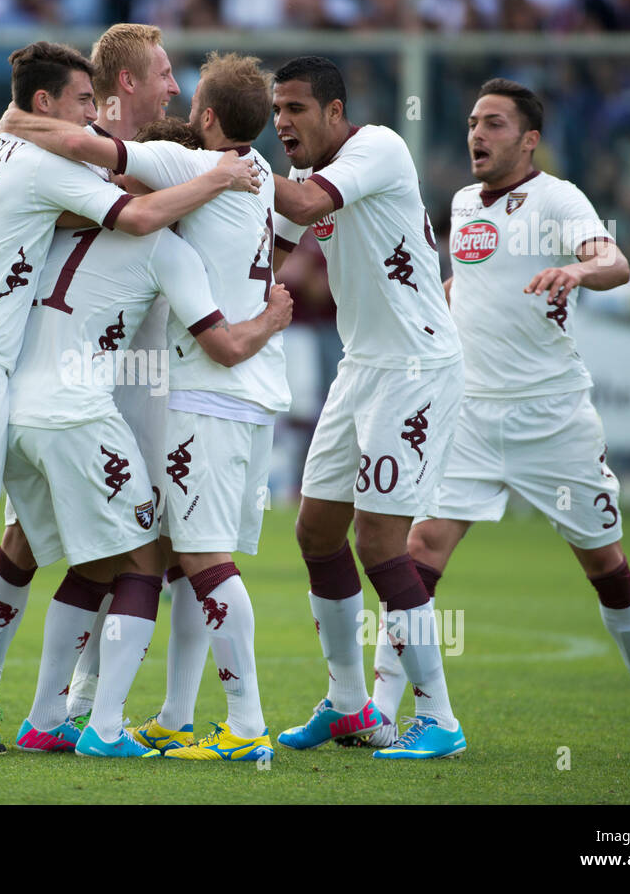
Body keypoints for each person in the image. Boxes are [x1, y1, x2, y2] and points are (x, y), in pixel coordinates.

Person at [0, 41, 261, 755]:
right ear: (48, 102)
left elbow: (87, 197)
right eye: (82, 100)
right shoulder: (55, 166)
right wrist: (217, 179)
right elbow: (137, 218)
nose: (90, 112)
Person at [401, 78, 630, 756]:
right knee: (418, 551)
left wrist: (578, 271)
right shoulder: (460, 201)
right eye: (474, 123)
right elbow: (469, 285)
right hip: (472, 413)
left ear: (530, 138)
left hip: (553, 418)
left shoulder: (559, 199)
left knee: (605, 561)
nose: (477, 135)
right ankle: (404, 709)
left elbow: (616, 261)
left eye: (495, 124)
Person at [2, 51, 290, 762]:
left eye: (188, 100)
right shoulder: (259, 185)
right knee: (177, 555)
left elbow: (84, 147)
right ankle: (147, 716)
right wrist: (276, 317)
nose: (177, 98)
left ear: (207, 121)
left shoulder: (184, 170)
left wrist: (16, 118)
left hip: (201, 396)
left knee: (181, 556)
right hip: (248, 398)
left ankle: (226, 727)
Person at [0, 23, 184, 744]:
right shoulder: (71, 150)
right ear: (126, 84)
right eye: (164, 72)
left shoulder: (134, 153)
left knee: (114, 551)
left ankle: (76, 703)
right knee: (33, 542)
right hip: (70, 377)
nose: (174, 85)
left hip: (134, 382)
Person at [269, 55, 466, 759]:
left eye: (294, 108)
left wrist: (222, 160)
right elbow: (274, 245)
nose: (282, 122)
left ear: (334, 110)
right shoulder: (297, 177)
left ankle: (438, 716)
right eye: (272, 111)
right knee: (316, 530)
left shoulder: (377, 147)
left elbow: (300, 208)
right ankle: (350, 705)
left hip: (416, 366)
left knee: (380, 539)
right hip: (362, 366)